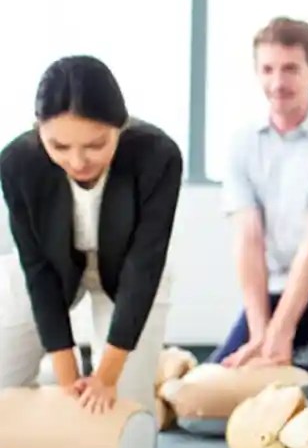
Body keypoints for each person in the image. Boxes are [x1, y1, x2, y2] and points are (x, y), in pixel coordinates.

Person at [0, 55, 182, 413]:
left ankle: (156, 375)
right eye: (60, 147)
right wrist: (69, 382)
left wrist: (106, 378)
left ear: (121, 125)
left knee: (125, 414)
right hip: (49, 269)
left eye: (95, 145)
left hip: (129, 272)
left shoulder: (158, 156)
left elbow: (143, 268)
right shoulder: (16, 164)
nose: (78, 161)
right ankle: (60, 381)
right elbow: (38, 272)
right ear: (39, 129)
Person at [206, 17, 308, 401]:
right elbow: (248, 240)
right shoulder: (243, 143)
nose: (278, 83)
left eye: (291, 68)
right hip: (282, 284)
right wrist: (261, 331)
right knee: (224, 374)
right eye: (268, 69)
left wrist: (281, 334)